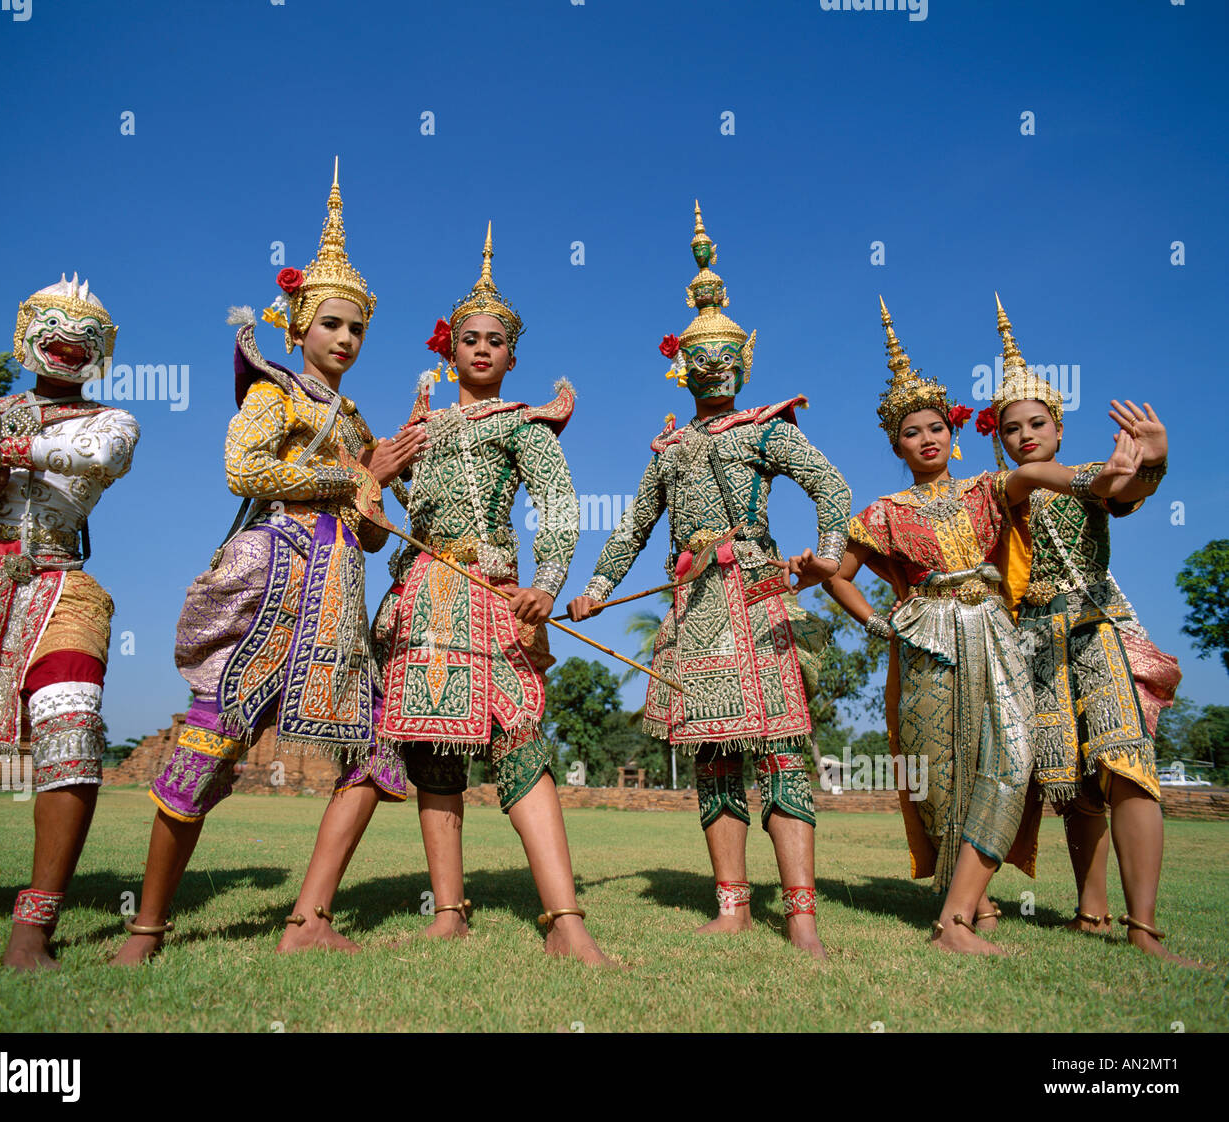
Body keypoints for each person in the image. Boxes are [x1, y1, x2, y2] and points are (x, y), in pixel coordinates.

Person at [112, 163, 422, 964]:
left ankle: (309, 920)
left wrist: (377, 490)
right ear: (298, 325)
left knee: (376, 750)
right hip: (275, 577)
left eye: (357, 328)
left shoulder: (353, 421)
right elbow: (244, 472)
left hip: (339, 591)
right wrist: (357, 476)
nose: (346, 340)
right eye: (331, 325)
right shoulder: (275, 393)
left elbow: (374, 527)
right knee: (208, 747)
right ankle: (146, 928)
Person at [568, 204, 851, 958]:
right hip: (693, 602)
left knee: (783, 751)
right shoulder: (668, 448)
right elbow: (631, 527)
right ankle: (732, 906)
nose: (712, 369)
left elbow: (834, 488)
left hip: (757, 592)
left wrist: (825, 553)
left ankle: (802, 917)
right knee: (715, 755)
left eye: (724, 357)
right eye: (701, 358)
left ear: (743, 362)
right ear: (681, 365)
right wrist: (597, 586)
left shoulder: (768, 429)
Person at [819, 298, 1141, 956]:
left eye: (935, 427)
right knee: (940, 769)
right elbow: (838, 573)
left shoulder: (992, 487)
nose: (927, 439)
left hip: (995, 629)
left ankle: (962, 914)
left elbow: (1052, 474)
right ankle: (965, 910)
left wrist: (1113, 476)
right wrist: (882, 625)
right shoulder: (882, 511)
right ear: (896, 445)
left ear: (954, 432)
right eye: (912, 433)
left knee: (1012, 759)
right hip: (926, 633)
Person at [370, 224, 610, 965]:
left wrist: (547, 582)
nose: (480, 348)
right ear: (450, 349)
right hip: (421, 596)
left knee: (521, 742)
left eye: (494, 341)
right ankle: (450, 913)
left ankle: (565, 921)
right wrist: (374, 483)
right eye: (468, 338)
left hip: (492, 590)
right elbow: (381, 519)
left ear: (512, 355)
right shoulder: (420, 427)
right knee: (432, 755)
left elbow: (560, 505)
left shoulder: (523, 424)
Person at [977, 296, 1195, 966]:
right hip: (1033, 642)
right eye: (1011, 427)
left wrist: (1150, 468)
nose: (1024, 435)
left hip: (1097, 629)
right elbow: (1090, 482)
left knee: (1126, 765)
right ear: (999, 438)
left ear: (1058, 423)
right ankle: (1091, 914)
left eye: (1036, 422)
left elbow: (1121, 494)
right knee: (1067, 782)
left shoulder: (1090, 483)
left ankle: (1145, 929)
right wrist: (1117, 475)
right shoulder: (1008, 484)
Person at [0, 273, 138, 969]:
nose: (68, 343)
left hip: (60, 584)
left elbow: (98, 459)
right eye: (54, 328)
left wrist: (6, 455)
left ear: (102, 351)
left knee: (73, 722)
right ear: (26, 335)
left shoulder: (113, 421)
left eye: (86, 336)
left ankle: (35, 920)